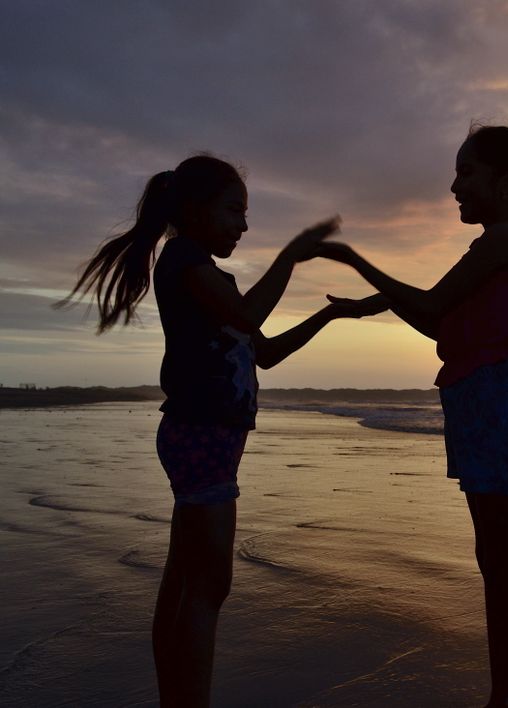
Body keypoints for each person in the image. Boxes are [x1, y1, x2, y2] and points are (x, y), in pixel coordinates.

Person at [57, 154, 378, 707]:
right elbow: (251, 314)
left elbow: (267, 352)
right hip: (201, 438)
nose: (244, 225)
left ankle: (173, 697)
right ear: (194, 209)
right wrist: (292, 255)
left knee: (186, 580)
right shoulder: (185, 260)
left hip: (203, 440)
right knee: (208, 587)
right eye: (234, 210)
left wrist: (332, 316)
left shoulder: (204, 274)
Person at [321, 125, 508, 707]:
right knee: (496, 561)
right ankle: (506, 694)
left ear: (505, 182)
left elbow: (433, 303)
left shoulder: (502, 241)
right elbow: (439, 318)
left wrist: (358, 263)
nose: (454, 186)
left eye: (466, 173)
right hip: (478, 396)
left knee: (506, 564)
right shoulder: (500, 243)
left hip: (493, 398)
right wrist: (377, 303)